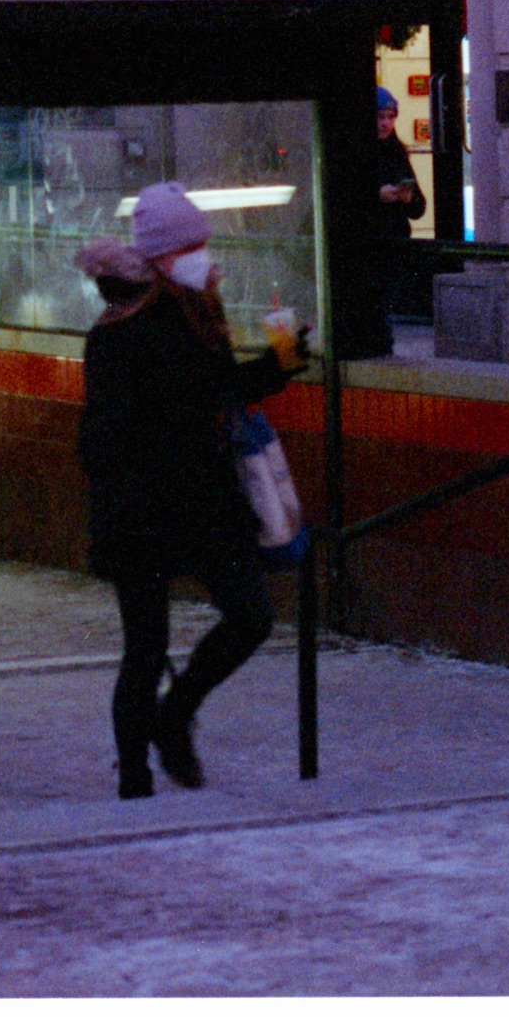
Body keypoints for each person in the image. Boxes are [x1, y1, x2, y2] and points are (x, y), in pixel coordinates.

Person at [76, 185, 307, 801]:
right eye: (192, 246)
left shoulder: (194, 308)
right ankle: (135, 780)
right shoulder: (125, 327)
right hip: (143, 509)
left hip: (201, 499)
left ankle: (175, 714)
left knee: (250, 615)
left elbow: (214, 388)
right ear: (160, 256)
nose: (204, 255)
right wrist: (271, 370)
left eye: (203, 243)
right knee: (145, 647)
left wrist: (279, 365)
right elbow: (183, 400)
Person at [364, 88, 427, 356]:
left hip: (394, 243)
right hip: (370, 245)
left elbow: (419, 207)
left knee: (385, 308)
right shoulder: (360, 155)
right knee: (376, 308)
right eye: (380, 117)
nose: (386, 123)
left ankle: (382, 347)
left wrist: (407, 198)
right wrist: (376, 196)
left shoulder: (397, 153)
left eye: (391, 117)